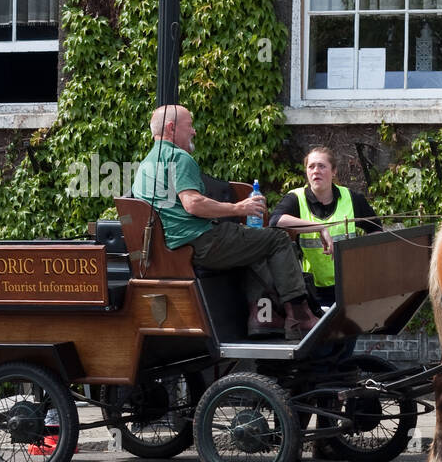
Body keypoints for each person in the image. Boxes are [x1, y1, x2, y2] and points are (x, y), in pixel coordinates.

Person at [132, 104, 322, 339]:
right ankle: (300, 318)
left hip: (171, 249)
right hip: (200, 243)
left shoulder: (145, 165)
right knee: (277, 238)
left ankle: (262, 318)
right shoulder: (178, 158)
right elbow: (192, 203)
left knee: (252, 242)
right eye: (189, 126)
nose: (193, 132)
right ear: (171, 128)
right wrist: (238, 207)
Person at [270, 146, 382, 307]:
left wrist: (362, 259)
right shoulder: (296, 198)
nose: (316, 171)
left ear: (334, 171)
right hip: (312, 290)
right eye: (311, 166)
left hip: (349, 287)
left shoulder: (352, 198)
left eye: (322, 166)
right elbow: (276, 220)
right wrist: (319, 227)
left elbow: (376, 230)